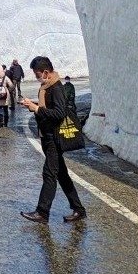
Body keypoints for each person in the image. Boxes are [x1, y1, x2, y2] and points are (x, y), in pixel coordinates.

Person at [20, 55, 86, 224]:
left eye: (37, 74)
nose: (36, 77)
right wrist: (33, 105)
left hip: (54, 138)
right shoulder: (47, 86)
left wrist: (36, 109)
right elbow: (47, 107)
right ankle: (78, 209)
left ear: (46, 72)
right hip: (47, 136)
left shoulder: (55, 88)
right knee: (61, 175)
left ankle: (42, 212)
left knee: (49, 173)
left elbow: (59, 113)